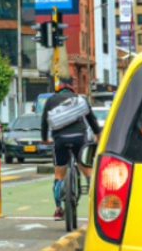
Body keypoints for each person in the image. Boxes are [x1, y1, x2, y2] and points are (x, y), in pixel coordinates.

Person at [40, 76, 101, 221]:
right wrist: (98, 136)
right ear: (72, 87)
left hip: (60, 139)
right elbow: (91, 119)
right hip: (79, 137)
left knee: (59, 174)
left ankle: (58, 209)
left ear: (59, 87)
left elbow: (44, 122)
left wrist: (44, 138)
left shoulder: (51, 100)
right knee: (87, 170)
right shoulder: (79, 99)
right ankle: (95, 205)